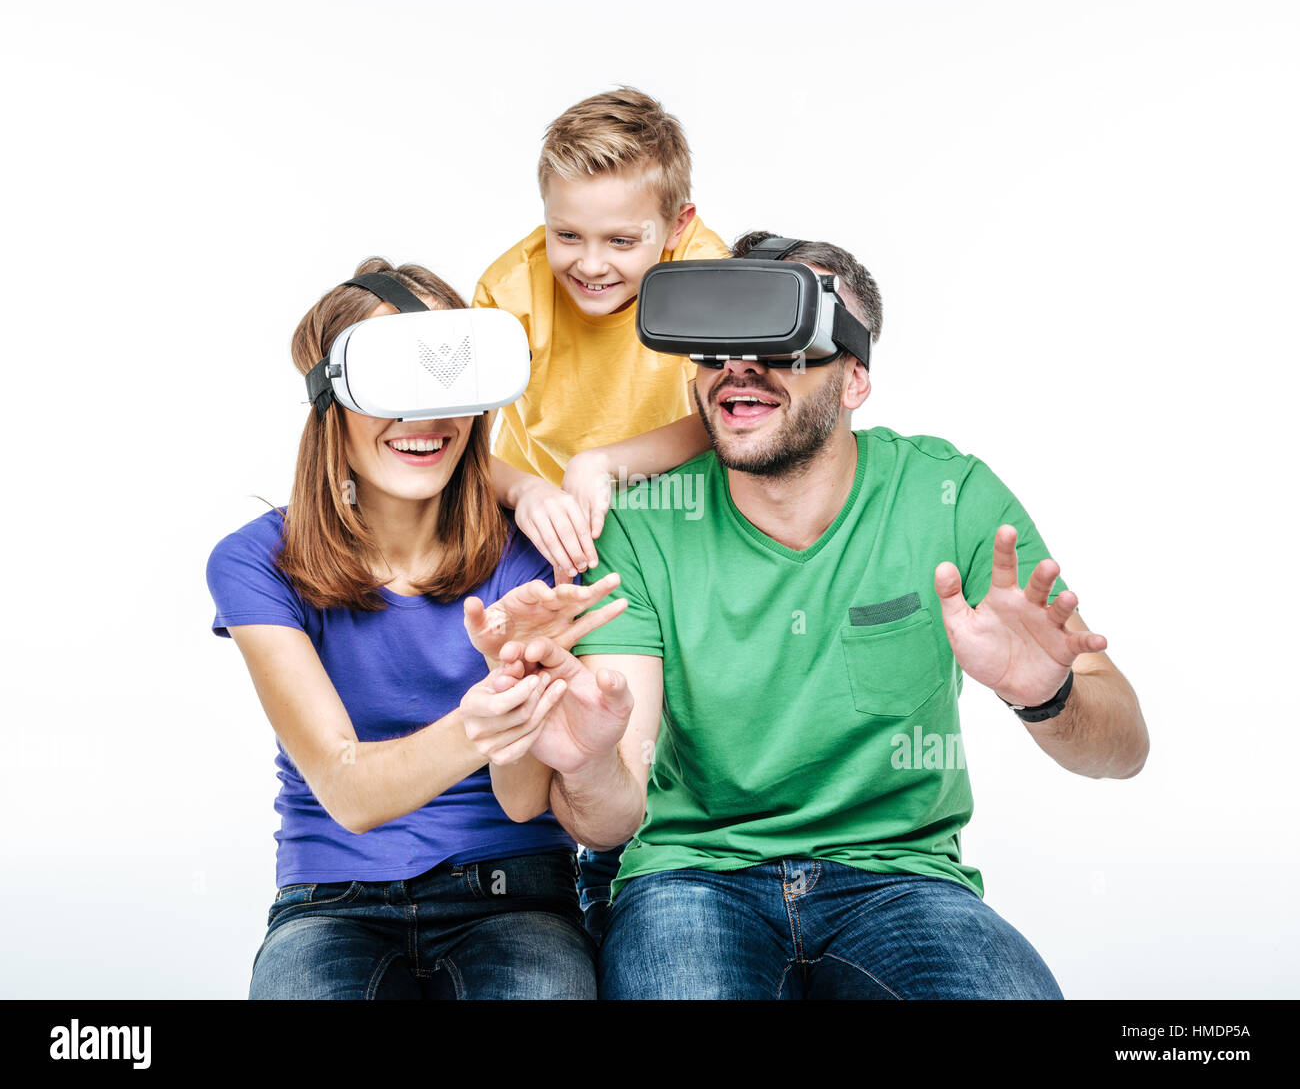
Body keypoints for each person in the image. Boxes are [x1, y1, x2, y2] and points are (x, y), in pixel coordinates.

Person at [469, 231, 1150, 999]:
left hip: (900, 881)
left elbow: (1123, 751)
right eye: (720, 345)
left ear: (855, 377)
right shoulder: (639, 524)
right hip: (693, 880)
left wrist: (1047, 695)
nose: (740, 368)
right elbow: (608, 816)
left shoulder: (946, 498)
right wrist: (589, 763)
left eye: (783, 342)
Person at [205, 258, 626, 999]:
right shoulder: (254, 562)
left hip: (515, 894)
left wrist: (517, 674)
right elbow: (349, 791)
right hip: (331, 902)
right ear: (331, 402)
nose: (426, 421)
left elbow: (525, 802)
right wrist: (480, 719)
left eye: (447, 386)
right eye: (393, 389)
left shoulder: (531, 555)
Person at [471, 86, 727, 937]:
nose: (589, 262)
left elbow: (721, 414)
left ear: (678, 226)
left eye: (623, 240)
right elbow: (453, 440)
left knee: (669, 712)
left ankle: (666, 864)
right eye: (567, 234)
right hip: (556, 533)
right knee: (563, 699)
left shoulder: (711, 273)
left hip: (680, 522)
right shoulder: (508, 286)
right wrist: (528, 488)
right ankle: (572, 872)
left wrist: (607, 460)